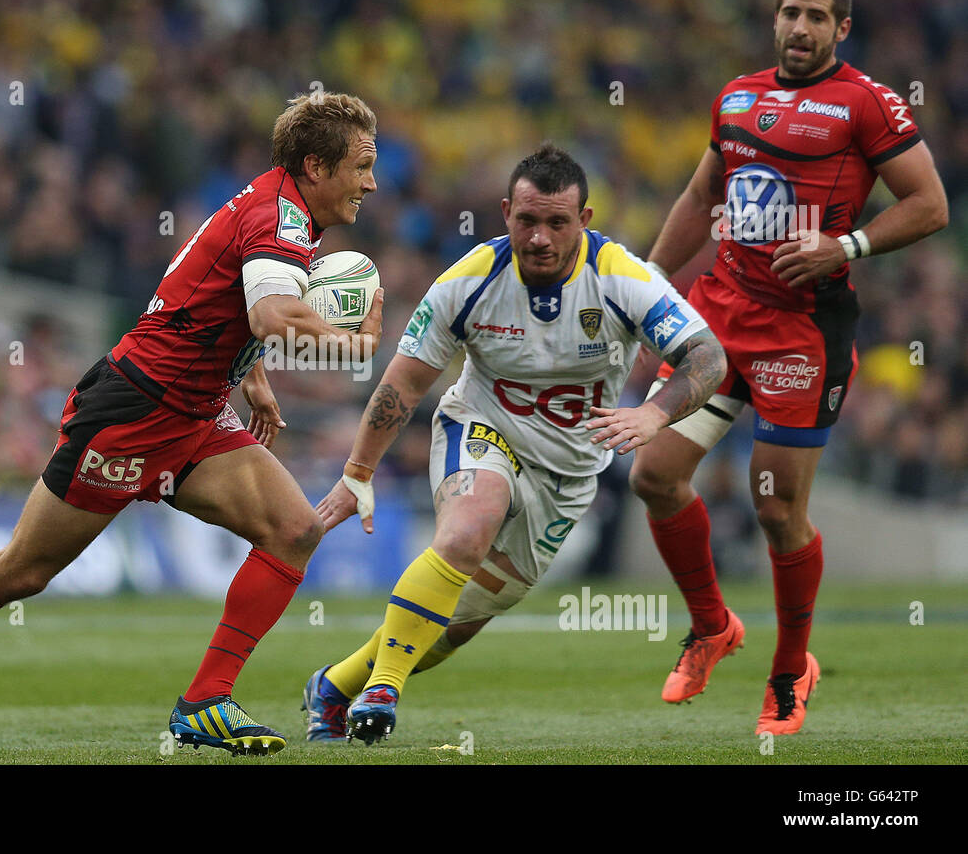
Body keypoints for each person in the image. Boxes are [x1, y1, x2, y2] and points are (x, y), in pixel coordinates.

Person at [0, 91, 385, 758]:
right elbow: (269, 313)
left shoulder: (276, 206)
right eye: (361, 166)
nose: (371, 183)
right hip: (135, 412)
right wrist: (351, 345)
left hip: (195, 411)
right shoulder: (278, 218)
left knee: (295, 530)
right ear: (316, 166)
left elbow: (219, 295)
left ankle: (205, 700)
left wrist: (251, 374)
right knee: (20, 572)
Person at [304, 145, 727, 744]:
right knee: (465, 533)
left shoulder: (622, 278)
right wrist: (358, 473)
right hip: (483, 429)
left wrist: (655, 414)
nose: (540, 238)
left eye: (557, 222)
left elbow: (708, 356)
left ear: (585, 220)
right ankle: (383, 691)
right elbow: (402, 384)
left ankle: (335, 685)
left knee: (454, 623)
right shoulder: (468, 281)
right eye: (527, 220)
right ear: (506, 213)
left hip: (566, 476)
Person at [628, 0, 948, 735]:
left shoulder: (866, 104)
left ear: (842, 28)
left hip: (801, 331)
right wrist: (649, 280)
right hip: (719, 315)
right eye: (790, 12)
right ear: (775, 18)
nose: (800, 28)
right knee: (653, 474)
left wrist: (848, 245)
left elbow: (930, 203)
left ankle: (789, 670)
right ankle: (712, 627)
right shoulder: (737, 97)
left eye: (817, 17)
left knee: (775, 509)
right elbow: (702, 195)